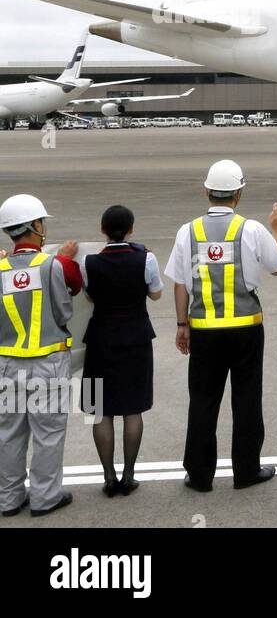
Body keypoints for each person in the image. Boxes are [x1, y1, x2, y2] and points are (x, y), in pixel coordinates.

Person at [165, 160, 277, 492]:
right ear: (239, 193)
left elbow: (179, 283)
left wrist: (181, 324)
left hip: (204, 329)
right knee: (247, 399)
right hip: (245, 329)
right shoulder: (250, 229)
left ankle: (200, 475)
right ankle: (246, 471)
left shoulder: (187, 231)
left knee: (203, 401)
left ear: (207, 191)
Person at [0, 195, 81, 517]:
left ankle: (8, 498)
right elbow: (64, 310)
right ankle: (45, 497)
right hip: (47, 362)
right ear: (35, 226)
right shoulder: (52, 264)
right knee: (48, 433)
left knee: (9, 433)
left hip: (7, 364)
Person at [80, 205, 163, 497]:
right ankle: (129, 475)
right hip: (136, 337)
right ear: (131, 229)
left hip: (100, 338)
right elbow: (156, 293)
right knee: (133, 408)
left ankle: (108, 476)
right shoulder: (146, 258)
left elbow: (89, 295)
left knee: (99, 411)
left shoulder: (88, 262)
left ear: (102, 230)